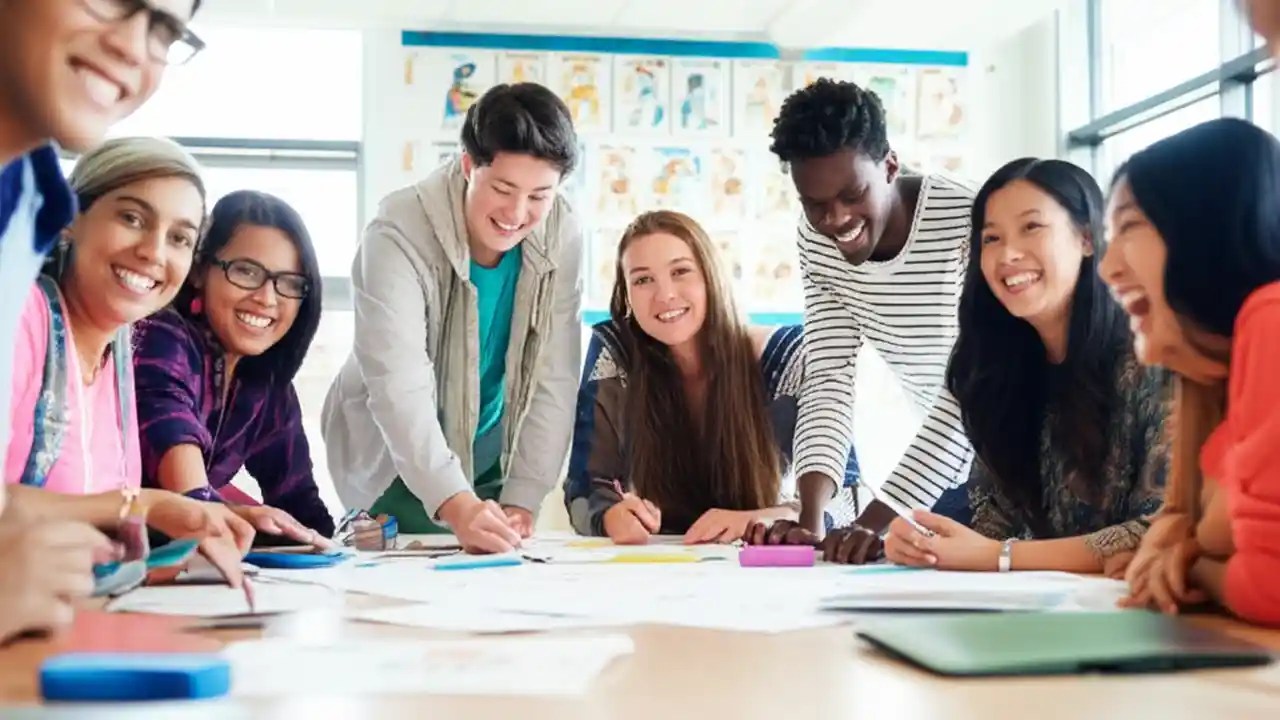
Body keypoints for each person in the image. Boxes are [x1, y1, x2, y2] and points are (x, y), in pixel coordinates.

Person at [0, 0, 205, 643]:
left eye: (166, 29)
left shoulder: (120, 351)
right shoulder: (32, 309)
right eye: (113, 0)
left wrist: (147, 523)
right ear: (74, 218)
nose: (133, 46)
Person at [324, 83, 583, 553]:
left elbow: (555, 377)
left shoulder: (563, 233)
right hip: (397, 458)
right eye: (503, 188)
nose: (516, 213)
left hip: (490, 457)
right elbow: (397, 385)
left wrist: (525, 494)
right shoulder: (398, 233)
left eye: (539, 195)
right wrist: (455, 502)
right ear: (468, 165)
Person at [3, 136, 251, 624]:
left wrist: (177, 550)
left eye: (180, 238)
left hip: (67, 629)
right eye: (132, 218)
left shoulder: (121, 355)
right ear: (72, 217)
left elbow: (96, 534)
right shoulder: (21, 318)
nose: (153, 252)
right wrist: (144, 504)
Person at [882, 158, 1169, 573]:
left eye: (1031, 228)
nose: (1008, 254)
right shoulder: (1000, 373)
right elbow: (992, 526)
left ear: (1087, 238)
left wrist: (998, 557)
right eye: (991, 238)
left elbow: (1163, 530)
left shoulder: (1155, 358)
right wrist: (924, 543)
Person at [748, 78, 977, 543]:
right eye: (816, 205)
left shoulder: (969, 218)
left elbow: (971, 393)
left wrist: (874, 522)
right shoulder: (817, 241)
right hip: (953, 468)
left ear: (890, 166)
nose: (835, 220)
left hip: (1026, 443)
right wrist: (810, 518)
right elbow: (829, 377)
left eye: (853, 195)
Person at [564, 211, 858, 544]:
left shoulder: (790, 356)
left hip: (760, 566)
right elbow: (584, 487)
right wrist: (608, 516)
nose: (665, 295)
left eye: (680, 272)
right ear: (626, 294)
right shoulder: (615, 353)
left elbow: (849, 501)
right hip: (656, 572)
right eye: (643, 280)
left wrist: (762, 519)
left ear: (711, 276)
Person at [1102, 118, 1280, 626]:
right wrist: (1177, 542)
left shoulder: (1273, 316)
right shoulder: (1216, 386)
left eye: (1130, 227)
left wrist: (1197, 569)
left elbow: (1271, 588)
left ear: (1208, 228)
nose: (1108, 268)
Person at [134, 190, 335, 544]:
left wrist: (344, 548)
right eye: (245, 271)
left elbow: (301, 506)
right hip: (104, 561)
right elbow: (191, 501)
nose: (267, 298)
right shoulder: (160, 337)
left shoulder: (265, 381)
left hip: (184, 572)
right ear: (199, 270)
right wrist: (246, 517)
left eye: (289, 283)